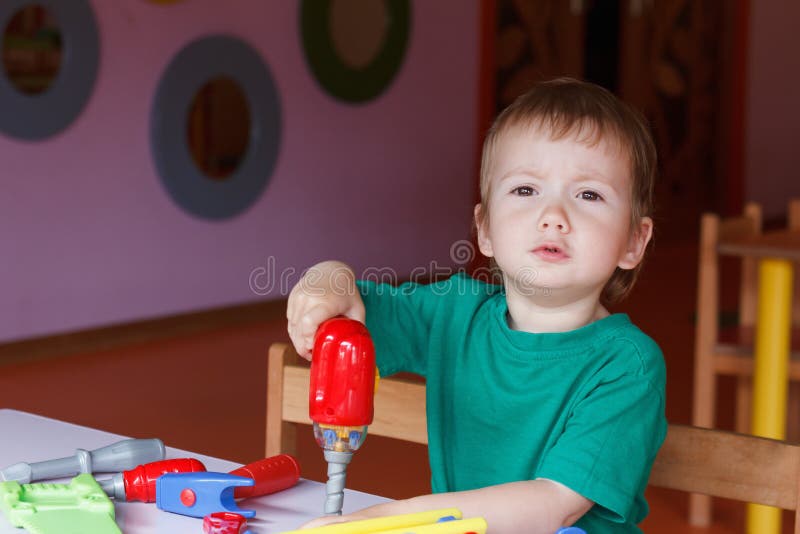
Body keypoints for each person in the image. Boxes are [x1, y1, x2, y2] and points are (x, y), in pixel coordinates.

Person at [286, 77, 666, 533]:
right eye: (526, 190)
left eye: (589, 195)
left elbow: (553, 506)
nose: (553, 217)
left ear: (634, 241)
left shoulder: (626, 366)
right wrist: (325, 277)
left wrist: (382, 520)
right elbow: (353, 305)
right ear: (484, 229)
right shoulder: (454, 311)